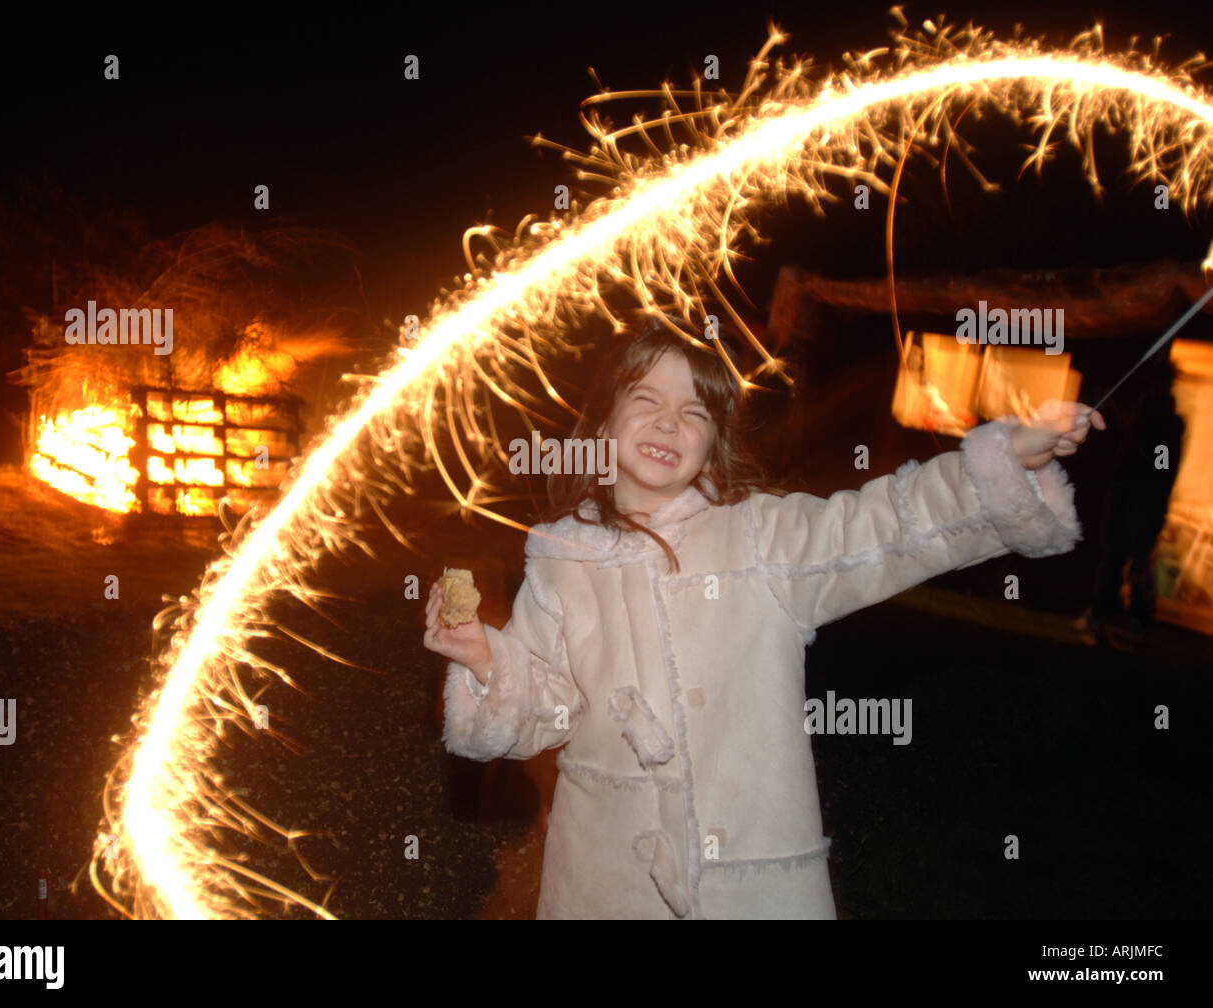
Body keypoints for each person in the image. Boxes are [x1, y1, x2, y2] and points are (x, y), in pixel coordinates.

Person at [423, 318, 1103, 919]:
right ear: (602, 423)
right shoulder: (561, 555)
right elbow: (546, 708)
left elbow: (883, 526)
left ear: (714, 439)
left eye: (694, 412)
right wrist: (487, 660)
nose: (669, 423)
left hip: (751, 883)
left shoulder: (760, 539)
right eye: (647, 400)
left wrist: (1004, 459)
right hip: (605, 882)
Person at [1073, 358, 1184, 650]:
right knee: (1120, 560)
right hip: (1134, 496)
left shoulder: (1164, 423)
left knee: (1131, 563)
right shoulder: (1153, 421)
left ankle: (1127, 621)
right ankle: (1108, 618)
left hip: (1141, 499)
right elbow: (1152, 461)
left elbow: (1159, 464)